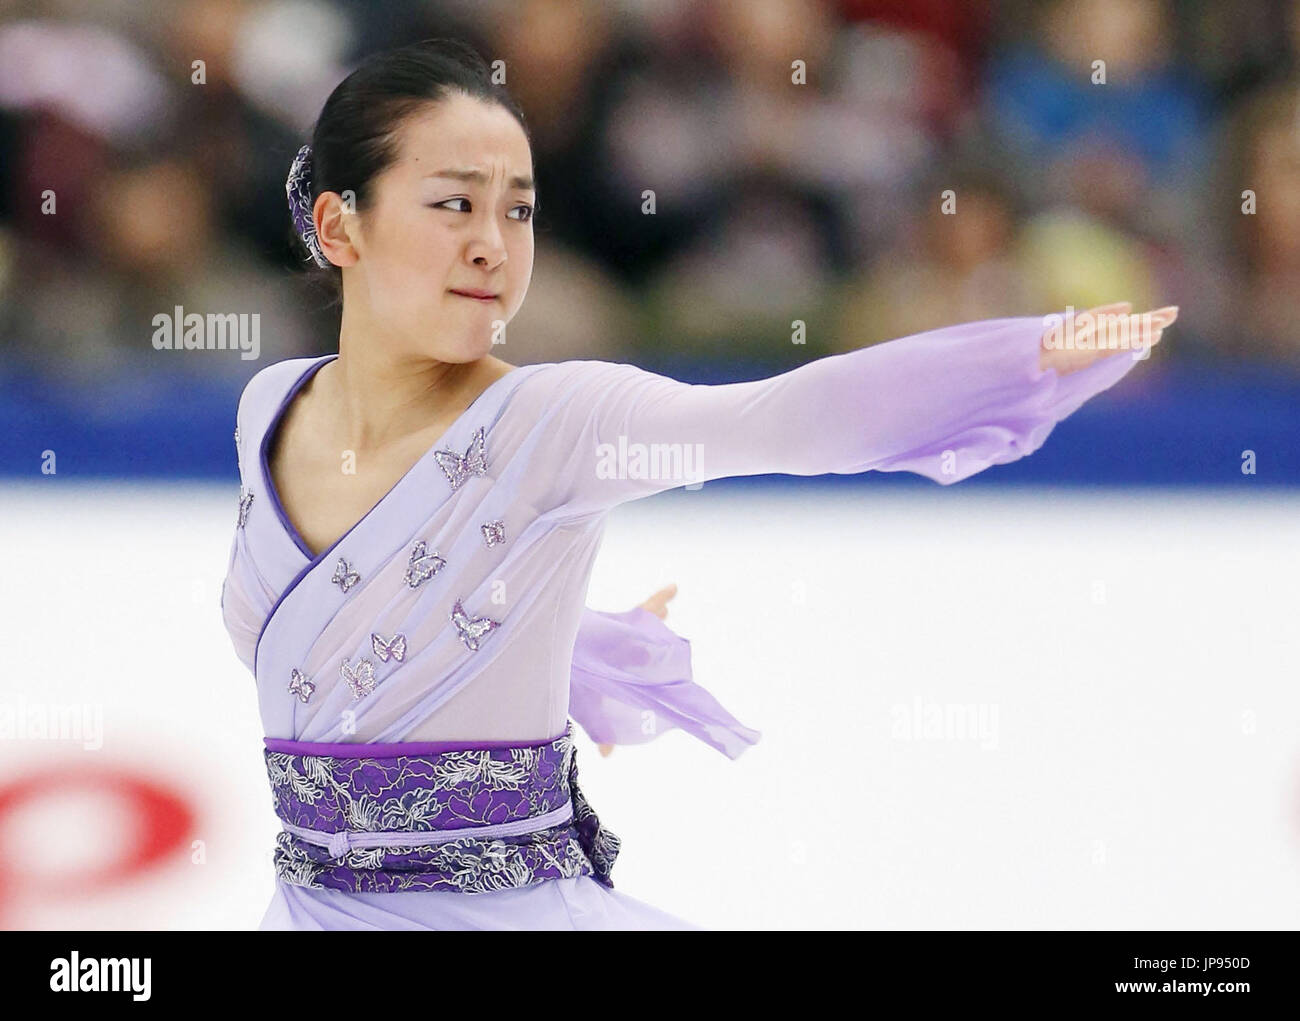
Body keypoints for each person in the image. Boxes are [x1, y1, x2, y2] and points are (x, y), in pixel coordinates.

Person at [220, 38, 1176, 931]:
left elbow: (779, 421)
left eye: (518, 208)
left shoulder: (559, 421)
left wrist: (1013, 359)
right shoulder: (267, 409)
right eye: (454, 203)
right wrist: (564, 643)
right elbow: (336, 640)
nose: (494, 245)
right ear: (342, 224)